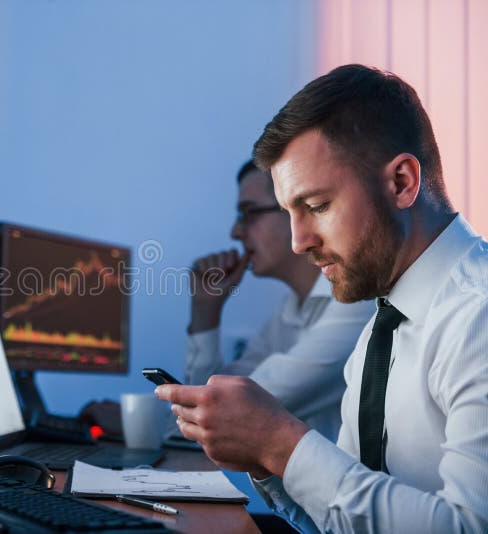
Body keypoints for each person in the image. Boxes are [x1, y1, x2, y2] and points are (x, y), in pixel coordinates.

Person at [156, 64, 488, 533]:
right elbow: (344, 519)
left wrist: (283, 445)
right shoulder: (383, 322)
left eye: (316, 207)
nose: (298, 241)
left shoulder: (478, 316)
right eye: (291, 212)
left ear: (402, 183)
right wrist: (268, 457)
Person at [186, 160, 373, 441]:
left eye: (248, 214)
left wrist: (167, 417)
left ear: (295, 211)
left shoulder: (359, 303)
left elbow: (229, 411)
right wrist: (205, 311)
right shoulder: (287, 311)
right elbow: (209, 404)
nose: (236, 233)